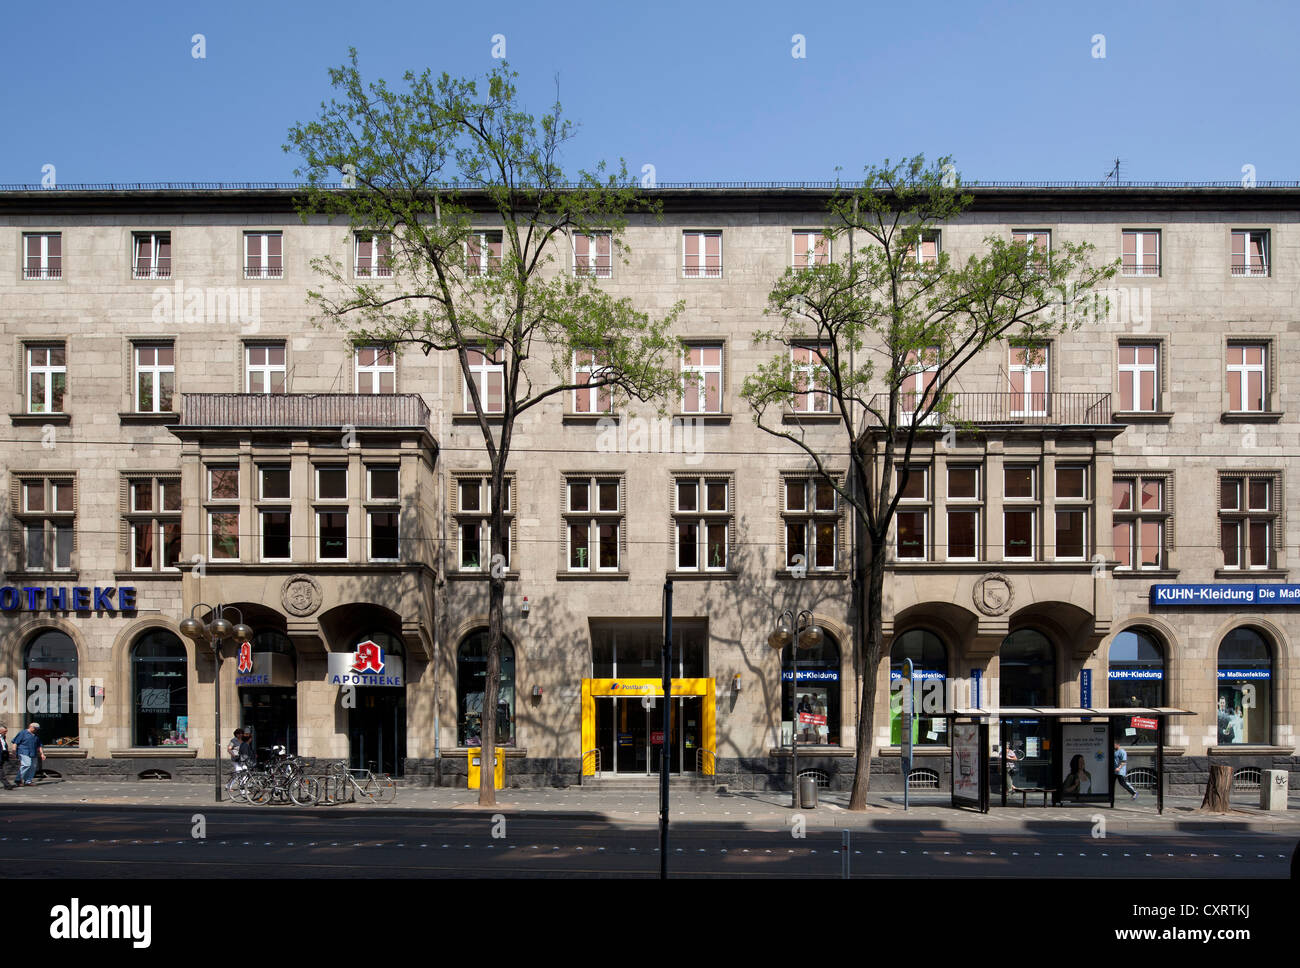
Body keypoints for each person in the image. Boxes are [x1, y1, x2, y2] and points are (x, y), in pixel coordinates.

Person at [12, 722, 45, 787]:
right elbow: (15, 742)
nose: (36, 730)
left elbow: (39, 745)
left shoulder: (36, 735)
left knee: (33, 767)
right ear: (31, 727)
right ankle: (18, 779)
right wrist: (14, 751)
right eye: (35, 729)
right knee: (26, 764)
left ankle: (28, 781)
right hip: (24, 751)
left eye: (37, 729)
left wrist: (42, 754)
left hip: (33, 752)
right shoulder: (23, 733)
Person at [0, 725, 13, 790]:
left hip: (2, 756)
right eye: (4, 731)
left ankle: (6, 785)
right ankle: (7, 785)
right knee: (1, 771)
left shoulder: (3, 737)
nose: (6, 733)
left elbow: (3, 746)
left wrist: (8, 753)